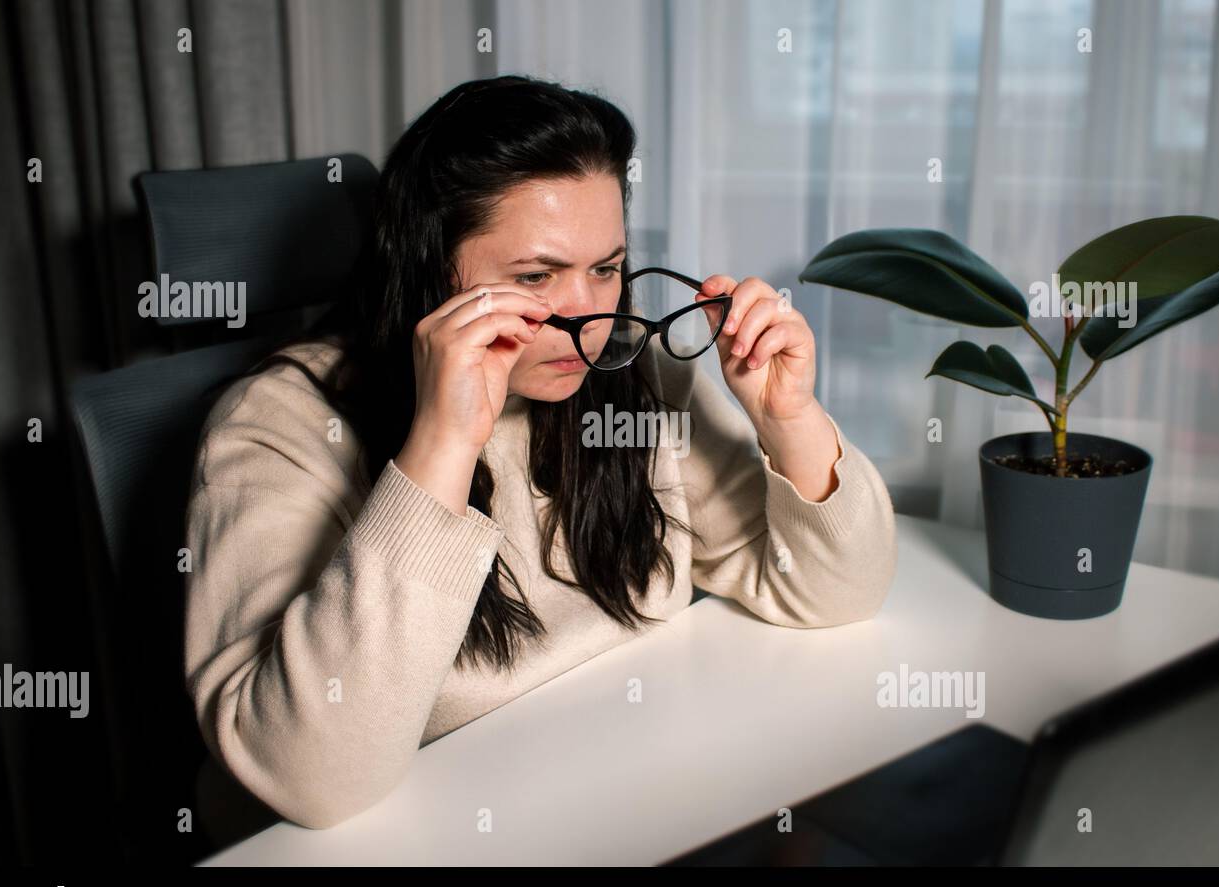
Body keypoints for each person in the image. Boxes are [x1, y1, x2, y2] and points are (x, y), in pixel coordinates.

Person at [184, 74, 897, 833]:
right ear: (429, 271)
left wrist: (788, 418)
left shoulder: (633, 368)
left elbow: (836, 594)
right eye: (535, 277)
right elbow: (312, 780)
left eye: (607, 267)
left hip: (619, 798)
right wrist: (441, 445)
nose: (591, 319)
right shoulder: (278, 428)